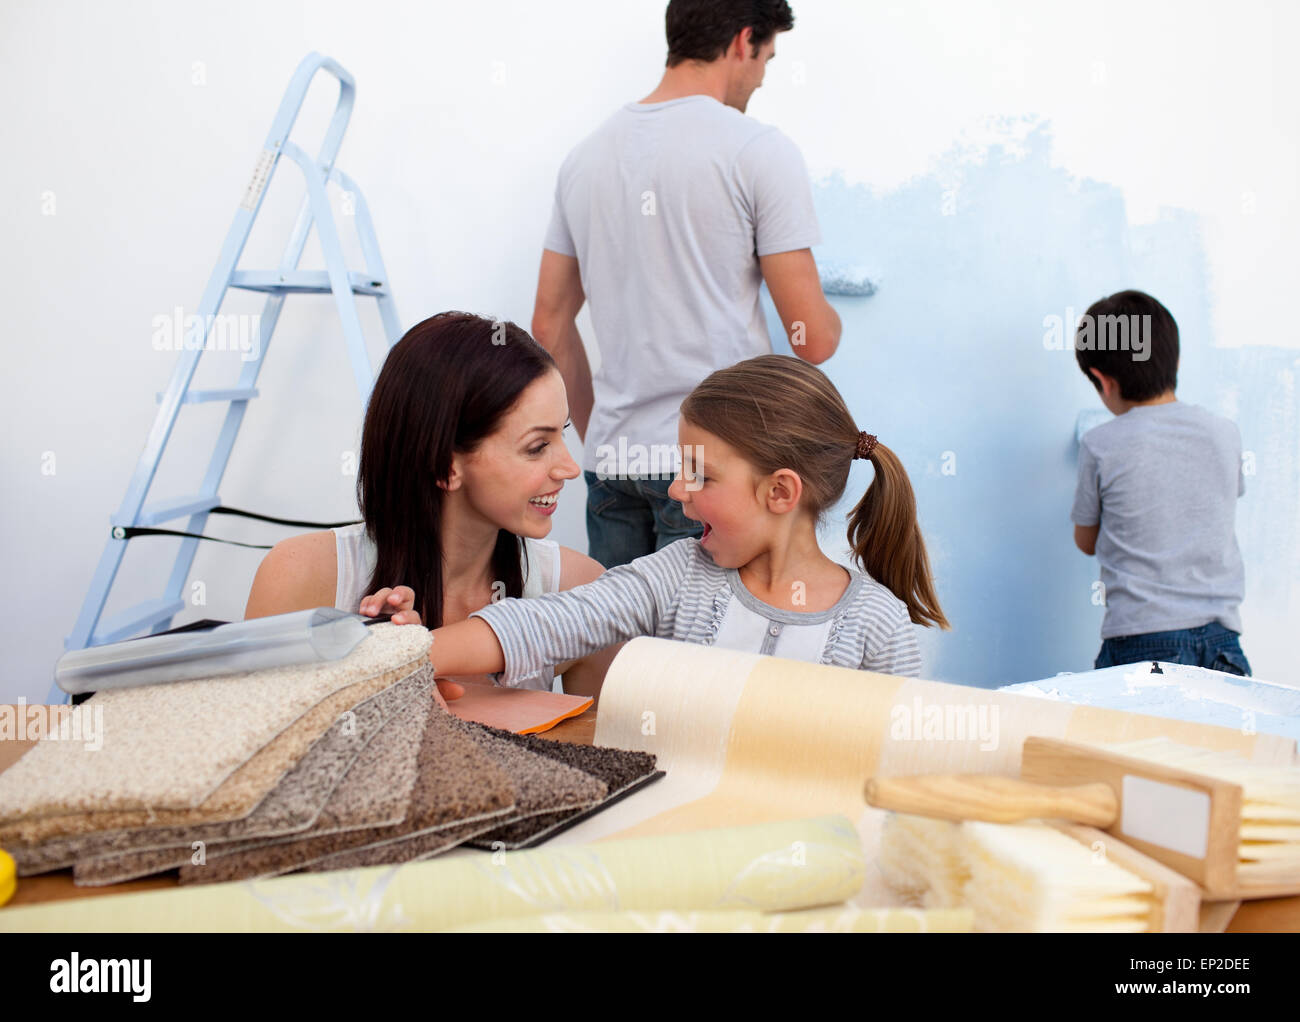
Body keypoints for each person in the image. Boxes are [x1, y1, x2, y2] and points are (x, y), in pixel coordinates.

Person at [382, 355, 949, 696]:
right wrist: (403, 656)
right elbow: (548, 622)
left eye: (699, 474)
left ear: (780, 492)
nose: (677, 491)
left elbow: (898, 763)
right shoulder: (679, 575)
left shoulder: (879, 624)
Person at [531, 0, 842, 569]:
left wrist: (605, 436)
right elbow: (812, 342)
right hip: (716, 465)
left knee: (621, 651)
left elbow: (549, 326)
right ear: (744, 41)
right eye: (766, 59)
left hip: (612, 462)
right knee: (702, 655)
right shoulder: (757, 149)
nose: (761, 78)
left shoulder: (584, 159)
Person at [243, 311, 623, 698]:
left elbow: (605, 756)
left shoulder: (582, 590)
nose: (571, 468)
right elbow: (248, 745)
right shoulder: (299, 579)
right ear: (445, 466)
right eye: (537, 446)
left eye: (562, 433)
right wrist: (364, 673)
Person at [1070, 290, 1251, 675]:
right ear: (1177, 359)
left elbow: (1085, 541)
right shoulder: (1224, 433)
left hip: (1142, 643)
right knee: (1219, 737)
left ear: (1103, 381)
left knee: (1134, 738)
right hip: (1223, 642)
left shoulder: (1100, 443)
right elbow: (1215, 504)